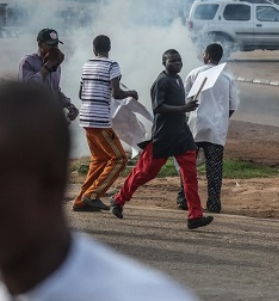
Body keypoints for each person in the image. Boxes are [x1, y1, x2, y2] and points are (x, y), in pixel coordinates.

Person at [0, 81, 198, 301]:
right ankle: (106, 198)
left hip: (162, 136)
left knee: (119, 160)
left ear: (52, 183)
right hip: (150, 135)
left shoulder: (144, 295)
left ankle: (95, 196)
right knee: (127, 166)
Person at [110, 50, 214, 230]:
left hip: (182, 135)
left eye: (179, 60)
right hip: (164, 136)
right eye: (173, 61)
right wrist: (183, 108)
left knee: (190, 176)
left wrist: (186, 107)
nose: (177, 64)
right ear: (164, 63)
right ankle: (118, 200)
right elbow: (158, 107)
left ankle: (195, 216)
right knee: (145, 172)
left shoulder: (178, 79)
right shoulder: (161, 82)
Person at [72, 35, 139, 212]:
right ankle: (92, 195)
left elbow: (81, 93)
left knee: (100, 159)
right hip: (99, 120)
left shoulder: (86, 64)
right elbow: (117, 93)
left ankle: (80, 201)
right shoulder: (112, 65)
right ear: (109, 48)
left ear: (94, 49)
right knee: (119, 159)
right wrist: (131, 93)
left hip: (86, 118)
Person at [176, 43, 240, 213]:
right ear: (220, 58)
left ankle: (184, 198)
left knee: (188, 165)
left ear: (206, 55)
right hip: (216, 130)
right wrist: (221, 119)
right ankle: (213, 203)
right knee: (214, 168)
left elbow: (184, 100)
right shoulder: (227, 78)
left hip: (195, 127)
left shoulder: (194, 73)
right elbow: (233, 105)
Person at [18, 28, 78, 123]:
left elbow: (55, 92)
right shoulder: (28, 62)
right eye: (50, 45)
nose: (54, 48)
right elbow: (28, 88)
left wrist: (69, 105)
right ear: (40, 45)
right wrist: (47, 67)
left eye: (56, 44)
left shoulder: (56, 64)